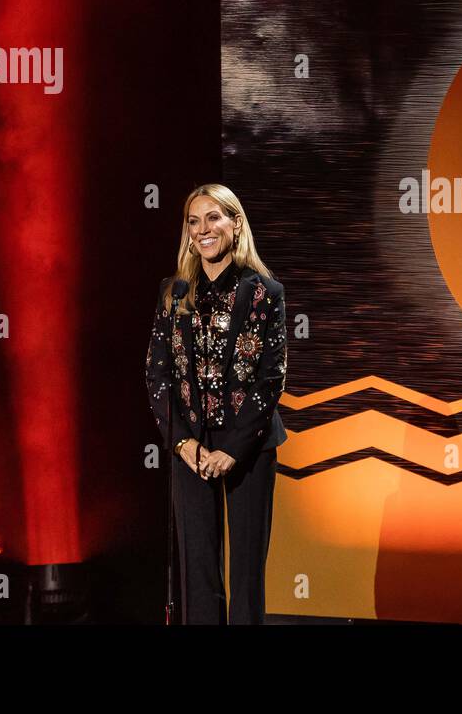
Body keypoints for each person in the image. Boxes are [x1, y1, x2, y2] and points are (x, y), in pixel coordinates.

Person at [145, 183, 288, 624]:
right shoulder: (175, 293)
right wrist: (183, 444)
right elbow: (157, 375)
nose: (203, 230)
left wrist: (233, 450)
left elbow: (271, 378)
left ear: (235, 223)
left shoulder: (265, 292)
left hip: (248, 445)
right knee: (198, 575)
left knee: (246, 577)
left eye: (213, 218)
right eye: (193, 221)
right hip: (190, 445)